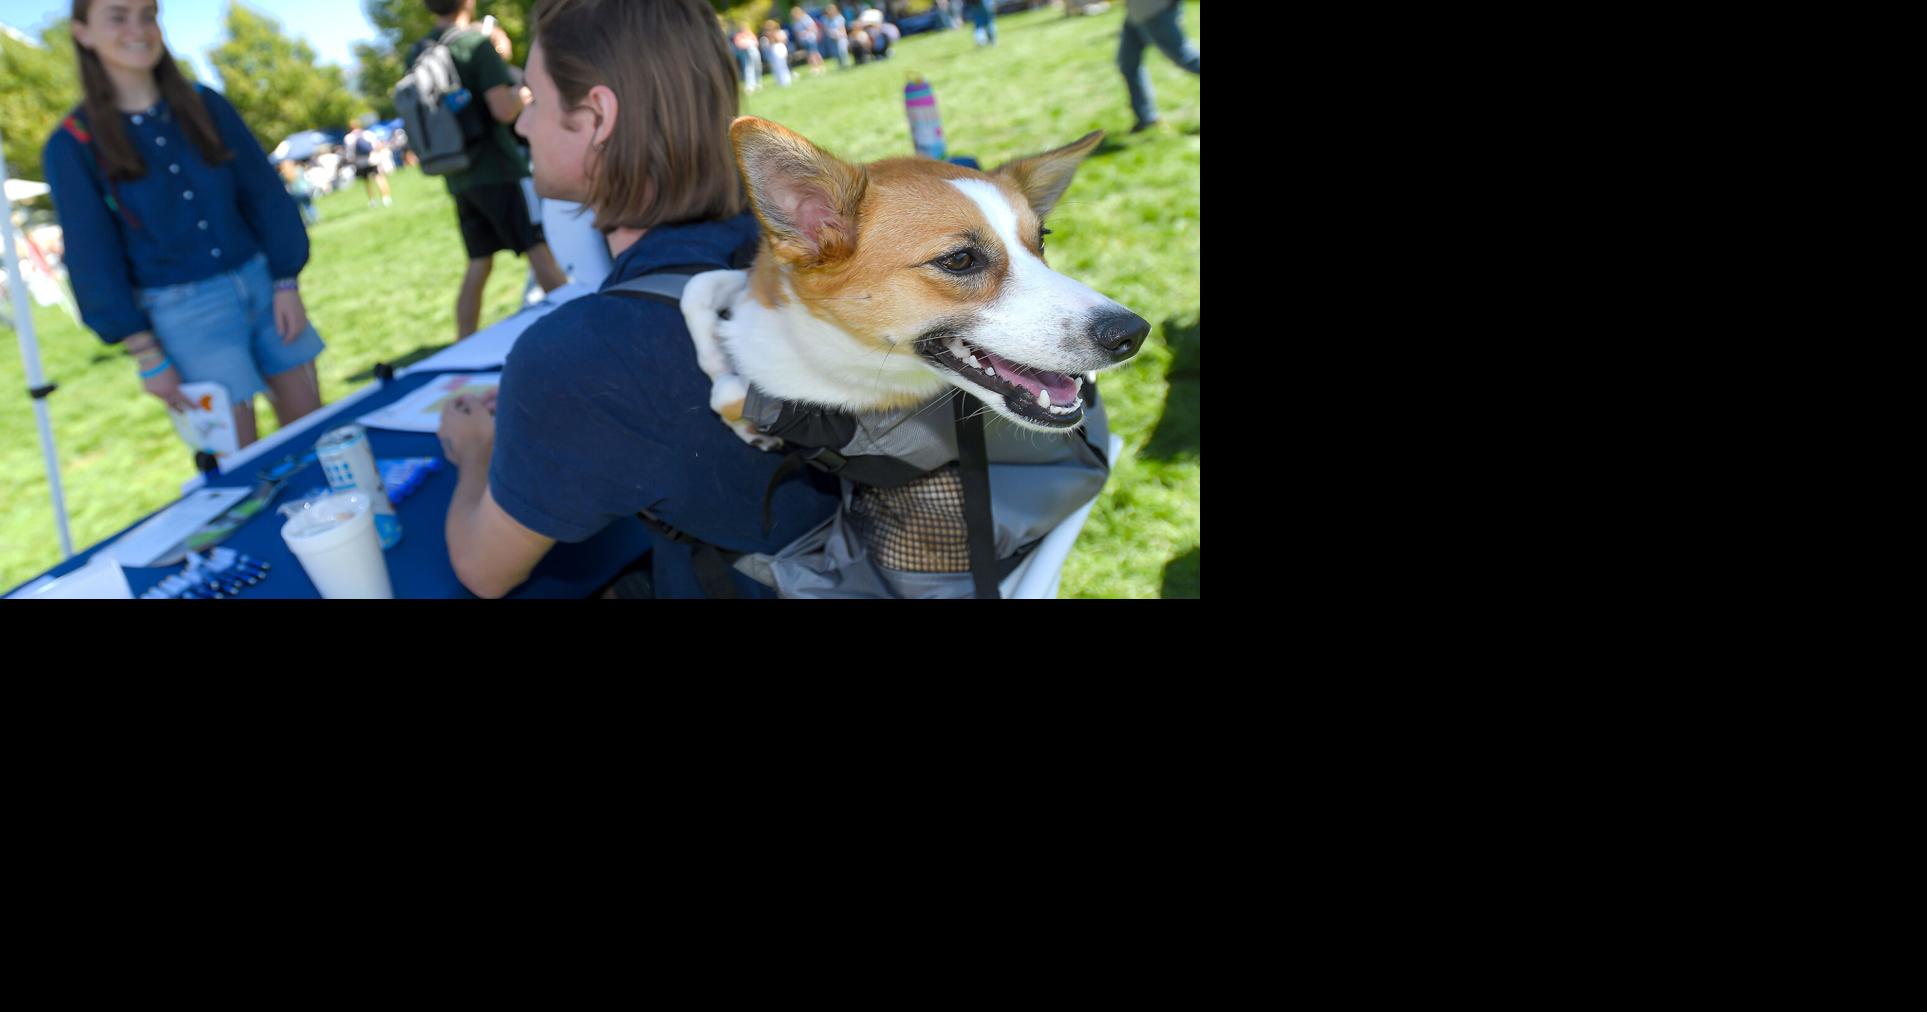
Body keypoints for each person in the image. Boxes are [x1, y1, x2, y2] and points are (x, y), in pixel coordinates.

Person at [435, 0, 839, 599]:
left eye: (536, 101)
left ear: (597, 116)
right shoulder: (810, 243)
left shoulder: (584, 355)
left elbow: (483, 568)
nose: (521, 125)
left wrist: (475, 452)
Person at [43, 0, 324, 449]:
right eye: (118, 16)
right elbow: (91, 254)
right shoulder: (72, 143)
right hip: (185, 315)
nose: (138, 28)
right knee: (241, 472)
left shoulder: (203, 103)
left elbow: (264, 194)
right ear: (82, 32)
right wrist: (147, 355)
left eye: (148, 14)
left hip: (265, 290)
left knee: (319, 436)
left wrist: (286, 280)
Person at [409, 0, 567, 339]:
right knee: (538, 250)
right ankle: (584, 330)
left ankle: (463, 345)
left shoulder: (419, 51)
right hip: (500, 169)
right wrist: (523, 89)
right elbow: (503, 109)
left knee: (479, 262)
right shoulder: (475, 45)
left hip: (458, 174)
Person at [1118, 0, 1200, 133]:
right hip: (1135, 11)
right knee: (1128, 64)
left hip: (1153, 10)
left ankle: (1146, 117)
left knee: (1186, 59)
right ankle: (1147, 118)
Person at [343, 121, 392, 208]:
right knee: (379, 178)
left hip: (360, 162)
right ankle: (386, 198)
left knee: (366, 182)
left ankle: (372, 200)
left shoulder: (348, 138)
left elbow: (349, 154)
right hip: (372, 159)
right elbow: (377, 146)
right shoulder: (368, 134)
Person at [278, 158, 319, 226]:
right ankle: (316, 219)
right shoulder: (298, 170)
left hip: (294, 193)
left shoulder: (283, 174)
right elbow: (306, 178)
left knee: (300, 209)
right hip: (304, 190)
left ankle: (305, 221)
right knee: (309, 206)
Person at [789, 5, 825, 77]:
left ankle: (819, 67)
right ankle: (814, 67)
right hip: (804, 40)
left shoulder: (806, 18)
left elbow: (811, 27)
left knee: (814, 53)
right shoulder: (796, 22)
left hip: (810, 39)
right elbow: (796, 32)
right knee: (809, 54)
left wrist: (804, 33)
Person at [760, 20, 792, 87]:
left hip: (779, 48)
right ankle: (780, 82)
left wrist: (773, 36)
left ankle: (786, 81)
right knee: (776, 67)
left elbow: (782, 41)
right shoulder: (767, 36)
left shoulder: (779, 32)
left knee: (782, 65)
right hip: (773, 49)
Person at [730, 21, 761, 92]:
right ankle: (750, 85)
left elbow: (756, 42)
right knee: (748, 69)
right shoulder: (738, 35)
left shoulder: (750, 34)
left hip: (754, 52)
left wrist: (750, 43)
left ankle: (757, 83)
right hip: (745, 54)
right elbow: (738, 44)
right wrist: (746, 44)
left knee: (757, 67)